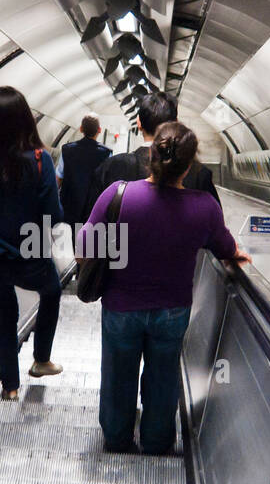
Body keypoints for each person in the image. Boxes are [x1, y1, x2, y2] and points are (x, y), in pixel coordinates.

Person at [79, 122, 250, 454]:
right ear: (189, 165)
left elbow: (85, 244)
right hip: (172, 309)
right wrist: (237, 255)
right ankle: (156, 442)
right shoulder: (204, 207)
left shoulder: (117, 194)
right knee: (163, 378)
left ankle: (116, 439)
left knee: (117, 375)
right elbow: (226, 248)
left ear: (151, 157)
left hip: (120, 305)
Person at [0, 87, 64, 400]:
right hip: (32, 255)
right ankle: (41, 360)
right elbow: (53, 215)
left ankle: (10, 388)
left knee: (7, 314)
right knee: (53, 292)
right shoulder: (39, 158)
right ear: (25, 121)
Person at [80, 92, 219, 222]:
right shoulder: (199, 174)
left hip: (119, 247)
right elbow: (215, 232)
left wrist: (118, 247)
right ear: (175, 123)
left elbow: (92, 228)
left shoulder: (111, 168)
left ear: (139, 123)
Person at [57, 115, 111, 228]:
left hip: (69, 205)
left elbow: (59, 178)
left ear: (81, 129)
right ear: (99, 130)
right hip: (92, 208)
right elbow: (106, 182)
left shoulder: (66, 149)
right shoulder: (106, 153)